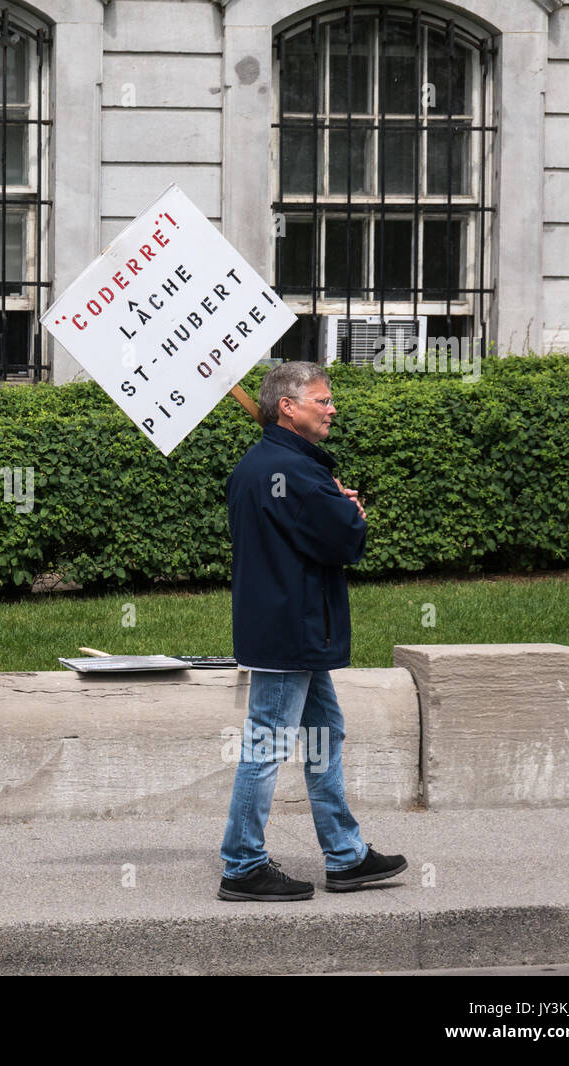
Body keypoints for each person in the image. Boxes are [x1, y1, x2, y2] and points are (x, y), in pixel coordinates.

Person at [218, 361, 406, 901]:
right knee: (264, 746)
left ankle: (346, 857)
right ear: (288, 407)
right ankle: (242, 865)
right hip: (291, 631)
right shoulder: (296, 473)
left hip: (291, 628)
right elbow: (344, 542)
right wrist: (351, 511)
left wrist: (331, 501)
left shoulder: (258, 466)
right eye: (321, 401)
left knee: (325, 735)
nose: (332, 409)